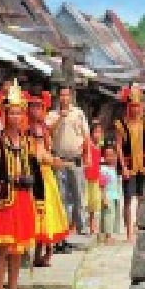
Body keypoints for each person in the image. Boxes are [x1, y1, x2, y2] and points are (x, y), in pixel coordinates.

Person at [0, 80, 40, 289]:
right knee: (2, 249)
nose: (15, 117)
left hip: (23, 198)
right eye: (11, 113)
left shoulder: (26, 141)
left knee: (18, 249)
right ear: (5, 114)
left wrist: (38, 200)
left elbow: (33, 170)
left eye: (18, 113)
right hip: (3, 199)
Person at [28, 87, 69, 267]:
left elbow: (44, 151)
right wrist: (53, 160)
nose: (35, 110)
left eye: (38, 107)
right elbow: (38, 154)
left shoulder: (42, 128)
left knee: (49, 213)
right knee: (41, 214)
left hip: (46, 175)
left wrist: (53, 160)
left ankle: (48, 251)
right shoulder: (29, 129)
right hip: (37, 173)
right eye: (32, 107)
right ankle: (40, 253)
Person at [46, 84, 89, 240]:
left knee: (78, 194)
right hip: (59, 159)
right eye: (62, 95)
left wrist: (87, 155)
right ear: (58, 97)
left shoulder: (78, 113)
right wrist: (60, 118)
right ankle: (63, 226)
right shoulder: (52, 114)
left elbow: (86, 135)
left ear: (71, 96)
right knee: (61, 195)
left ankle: (81, 226)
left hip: (75, 159)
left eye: (67, 95)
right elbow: (47, 131)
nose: (64, 98)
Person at [114, 84, 145, 243]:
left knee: (142, 198)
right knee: (128, 199)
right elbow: (118, 146)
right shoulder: (121, 124)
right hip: (128, 165)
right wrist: (122, 166)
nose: (135, 109)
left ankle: (139, 227)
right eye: (133, 106)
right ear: (129, 107)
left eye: (138, 106)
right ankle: (128, 232)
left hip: (142, 164)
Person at [83, 120, 105, 236]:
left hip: (95, 177)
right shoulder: (88, 145)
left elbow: (98, 163)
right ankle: (77, 225)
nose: (98, 134)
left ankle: (92, 224)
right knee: (84, 201)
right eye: (96, 132)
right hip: (86, 176)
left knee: (93, 203)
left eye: (100, 132)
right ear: (91, 133)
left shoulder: (99, 146)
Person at [98, 144, 122, 244]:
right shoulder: (104, 169)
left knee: (113, 216)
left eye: (112, 155)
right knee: (108, 216)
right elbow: (102, 185)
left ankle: (108, 235)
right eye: (107, 155)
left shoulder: (115, 169)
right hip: (108, 196)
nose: (110, 157)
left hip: (115, 196)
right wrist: (104, 197)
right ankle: (107, 236)